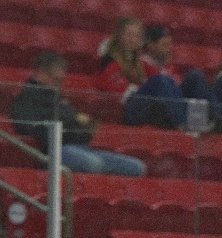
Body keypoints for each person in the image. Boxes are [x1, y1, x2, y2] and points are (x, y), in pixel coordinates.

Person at [12, 52, 147, 176]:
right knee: (94, 164)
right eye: (56, 80)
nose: (58, 85)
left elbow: (76, 128)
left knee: (136, 167)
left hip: (81, 148)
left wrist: (87, 127)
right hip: (53, 151)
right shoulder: (26, 98)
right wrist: (71, 124)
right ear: (40, 74)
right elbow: (30, 129)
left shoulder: (58, 98)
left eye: (61, 81)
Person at [94, 16, 149, 95]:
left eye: (137, 36)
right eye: (129, 34)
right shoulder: (109, 60)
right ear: (119, 35)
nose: (132, 39)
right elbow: (116, 89)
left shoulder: (139, 62)